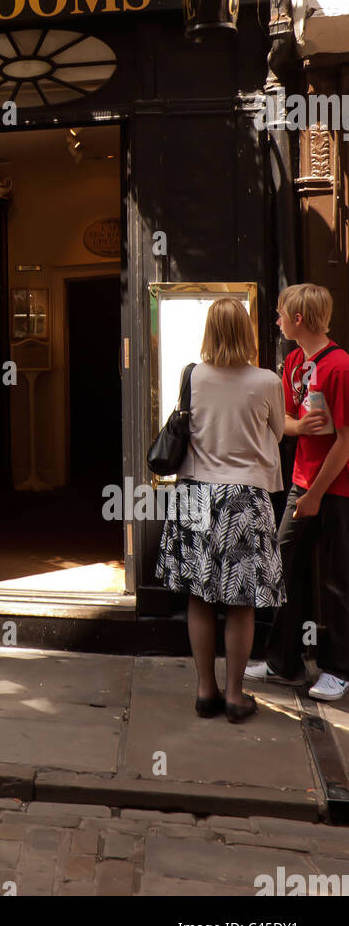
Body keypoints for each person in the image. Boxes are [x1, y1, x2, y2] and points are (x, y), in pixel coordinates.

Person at [155, 298, 285, 722]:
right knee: (242, 601)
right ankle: (234, 695)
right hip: (245, 497)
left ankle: (204, 691)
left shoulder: (191, 375)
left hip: (195, 493)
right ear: (247, 331)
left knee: (200, 596)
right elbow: (279, 431)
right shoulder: (267, 380)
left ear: (209, 331)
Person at [247, 284, 349, 701]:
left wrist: (314, 495)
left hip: (337, 489)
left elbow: (346, 441)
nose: (276, 320)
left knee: (337, 579)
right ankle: (282, 662)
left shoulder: (340, 366)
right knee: (283, 568)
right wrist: (298, 429)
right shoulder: (292, 361)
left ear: (299, 319)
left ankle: (338, 670)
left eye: (280, 314)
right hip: (302, 483)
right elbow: (284, 421)